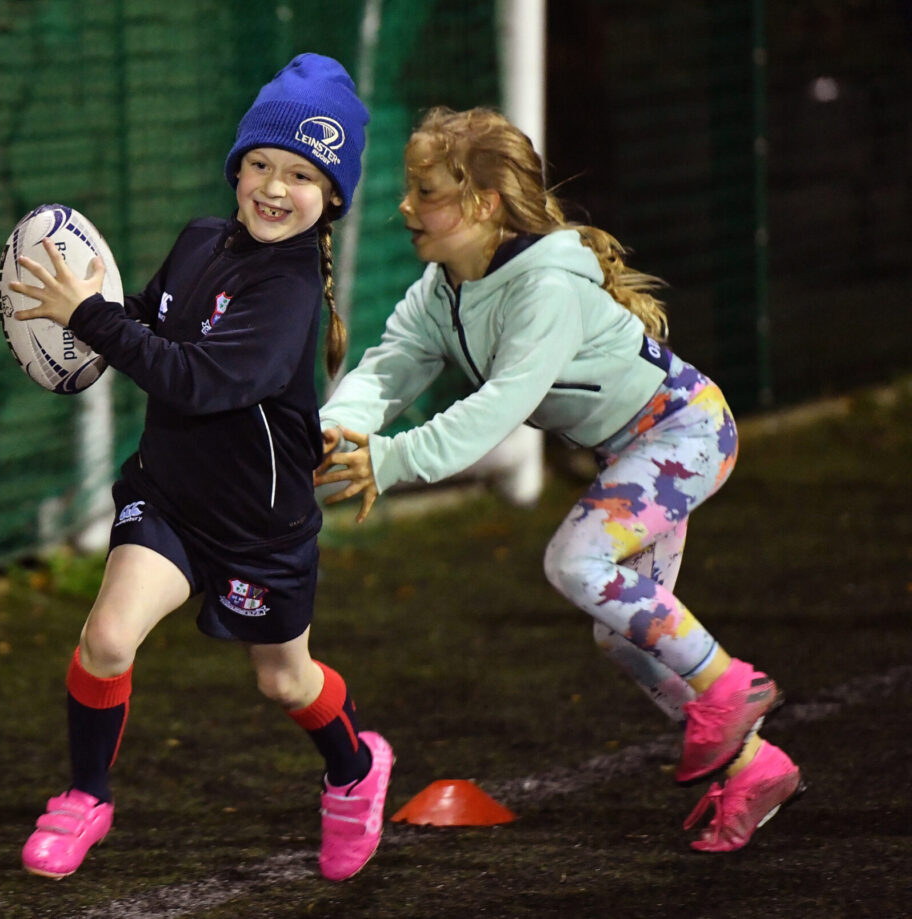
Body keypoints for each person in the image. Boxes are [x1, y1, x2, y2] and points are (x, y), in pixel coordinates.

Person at [314, 106, 803, 853]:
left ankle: (730, 684)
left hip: (686, 432)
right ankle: (755, 763)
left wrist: (390, 459)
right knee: (625, 634)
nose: (405, 206)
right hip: (638, 449)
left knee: (576, 561)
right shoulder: (443, 285)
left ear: (482, 203)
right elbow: (388, 368)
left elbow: (499, 406)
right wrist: (335, 428)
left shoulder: (545, 289)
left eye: (425, 191)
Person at [8, 53, 393, 882]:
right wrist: (72, 321)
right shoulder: (198, 242)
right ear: (237, 167)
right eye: (260, 163)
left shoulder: (289, 293)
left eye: (300, 174)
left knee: (286, 681)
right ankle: (86, 797)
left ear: (332, 197)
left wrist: (91, 317)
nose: (273, 187)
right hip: (171, 499)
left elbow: (200, 377)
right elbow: (147, 322)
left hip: (261, 527)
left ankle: (355, 770)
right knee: (107, 636)